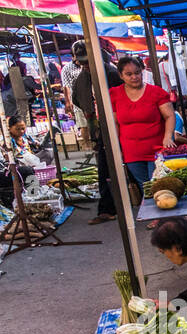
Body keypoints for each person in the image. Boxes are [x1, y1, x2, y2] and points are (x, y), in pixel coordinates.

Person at [71, 41, 123, 224]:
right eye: (82, 62)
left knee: (129, 167)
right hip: (100, 130)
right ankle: (107, 209)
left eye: (87, 61)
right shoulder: (82, 78)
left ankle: (138, 200)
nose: (85, 65)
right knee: (104, 169)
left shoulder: (111, 73)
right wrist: (90, 113)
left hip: (122, 126)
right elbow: (76, 98)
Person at [108, 55, 174, 197]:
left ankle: (163, 217)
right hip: (131, 152)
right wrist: (117, 147)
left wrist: (168, 136)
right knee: (145, 187)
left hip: (157, 150)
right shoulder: (114, 94)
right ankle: (155, 217)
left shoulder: (156, 92)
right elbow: (114, 123)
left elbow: (169, 116)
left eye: (137, 73)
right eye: (129, 74)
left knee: (159, 185)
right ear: (120, 75)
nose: (134, 77)